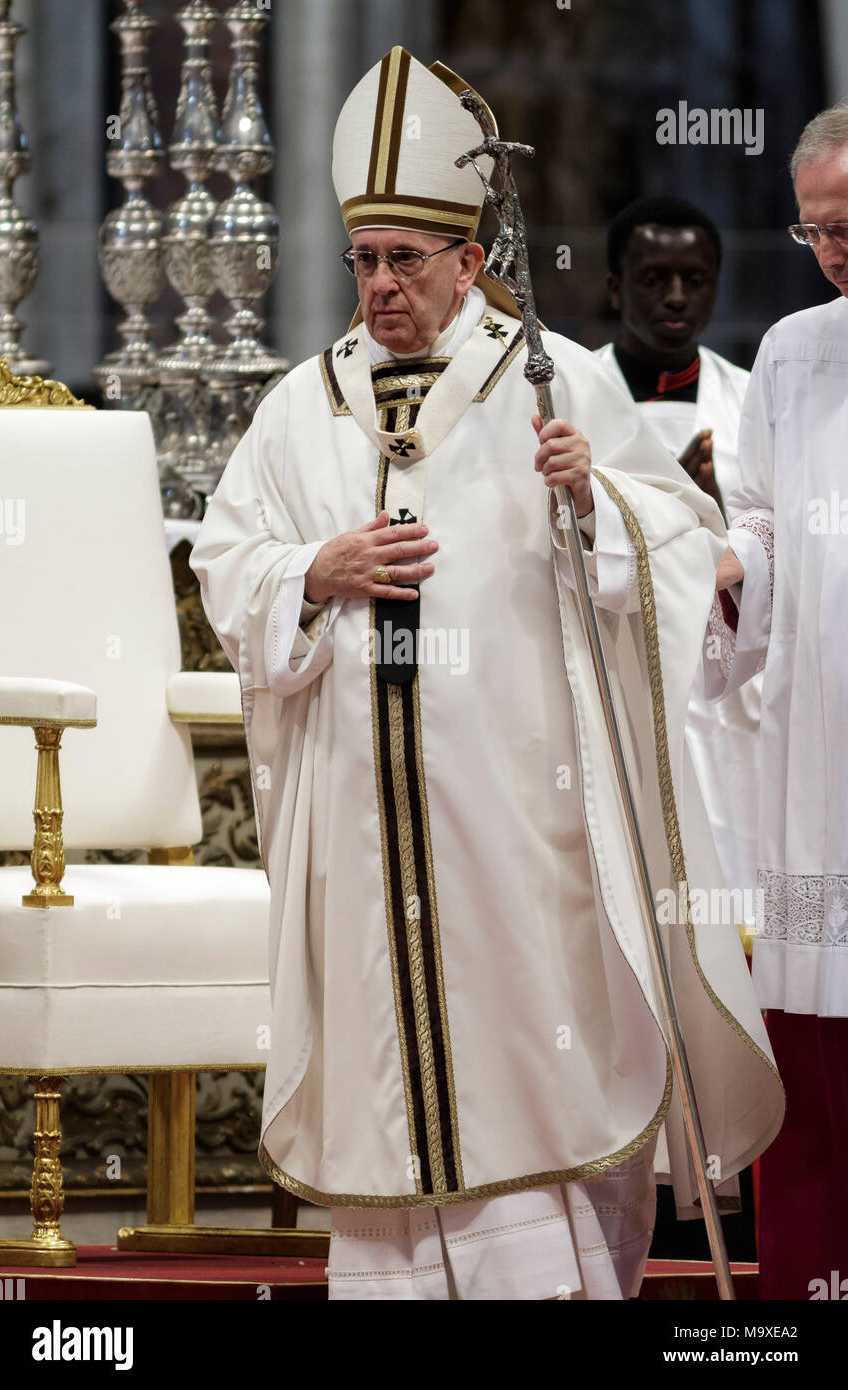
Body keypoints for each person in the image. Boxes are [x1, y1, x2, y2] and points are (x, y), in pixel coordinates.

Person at [191, 47, 782, 1301]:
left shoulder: (549, 380)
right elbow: (227, 564)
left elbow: (677, 545)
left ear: (469, 260)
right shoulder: (304, 405)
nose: (380, 286)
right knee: (390, 1071)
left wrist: (596, 500)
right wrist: (316, 569)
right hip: (364, 827)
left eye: (407, 260)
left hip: (521, 824)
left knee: (528, 1063)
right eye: (363, 260)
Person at [709, 101, 848, 1300]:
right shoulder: (794, 352)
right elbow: (753, 510)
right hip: (816, 763)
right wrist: (729, 564)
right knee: (809, 1065)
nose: (835, 252)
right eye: (814, 235)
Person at [595, 197, 760, 937]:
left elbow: (788, 551)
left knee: (730, 908)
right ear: (612, 285)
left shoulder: (752, 406)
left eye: (694, 279)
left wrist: (719, 519)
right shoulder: (569, 400)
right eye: (652, 276)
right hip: (611, 675)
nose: (674, 297)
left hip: (723, 701)